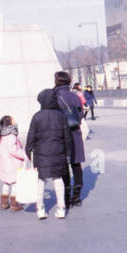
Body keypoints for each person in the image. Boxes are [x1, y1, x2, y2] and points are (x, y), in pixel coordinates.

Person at [25, 88, 74, 220]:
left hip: (41, 154)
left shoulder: (37, 116)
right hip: (58, 152)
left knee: (40, 181)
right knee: (58, 180)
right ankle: (61, 208)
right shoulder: (60, 116)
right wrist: (69, 154)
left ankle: (40, 209)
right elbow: (67, 137)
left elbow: (31, 137)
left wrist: (28, 152)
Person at [52, 71, 87, 208]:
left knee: (64, 166)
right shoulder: (75, 96)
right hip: (75, 133)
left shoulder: (54, 96)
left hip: (61, 135)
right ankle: (77, 197)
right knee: (76, 165)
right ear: (69, 81)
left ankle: (65, 197)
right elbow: (80, 115)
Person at [0, 115, 26, 212]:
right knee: (15, 183)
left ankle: (4, 203)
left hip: (5, 163)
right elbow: (14, 150)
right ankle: (14, 203)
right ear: (10, 123)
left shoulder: (2, 136)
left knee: (6, 182)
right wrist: (24, 155)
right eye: (13, 120)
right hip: (12, 164)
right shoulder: (11, 136)